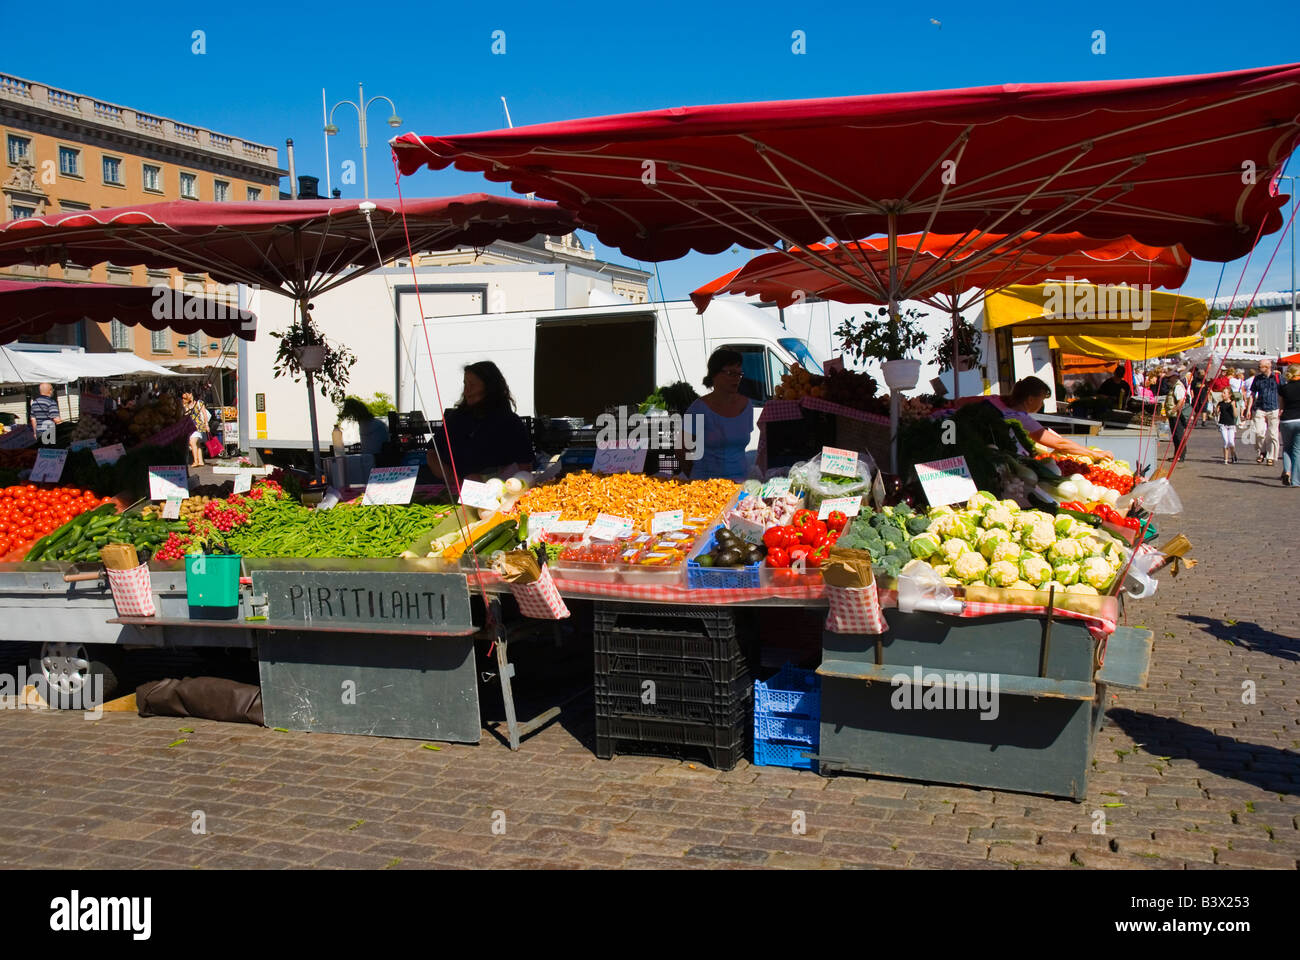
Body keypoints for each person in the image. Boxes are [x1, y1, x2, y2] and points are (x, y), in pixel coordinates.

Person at [427, 361, 532, 488]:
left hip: (497, 493)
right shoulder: (456, 418)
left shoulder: (509, 422)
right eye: (465, 384)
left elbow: (524, 467)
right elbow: (433, 453)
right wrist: (451, 477)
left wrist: (488, 480)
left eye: (472, 385)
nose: (467, 391)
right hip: (456, 491)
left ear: (489, 387)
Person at [988, 376, 1113, 461]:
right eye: (1041, 400)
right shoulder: (1021, 418)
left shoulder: (995, 400)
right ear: (1030, 399)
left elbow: (968, 400)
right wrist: (1095, 454)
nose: (1042, 404)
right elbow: (1060, 444)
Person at [681, 349, 754, 482]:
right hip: (706, 486)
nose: (737, 378)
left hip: (740, 483)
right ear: (714, 374)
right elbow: (681, 448)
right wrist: (695, 478)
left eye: (739, 374)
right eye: (731, 373)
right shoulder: (698, 408)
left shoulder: (747, 406)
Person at [1244, 359, 1281, 466]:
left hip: (1274, 408)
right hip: (1260, 407)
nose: (1258, 368)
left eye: (1260, 366)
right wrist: (1248, 409)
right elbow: (1252, 394)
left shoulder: (1277, 378)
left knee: (1273, 434)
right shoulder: (1257, 378)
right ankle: (1262, 451)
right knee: (1258, 432)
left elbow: (1283, 392)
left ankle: (1271, 457)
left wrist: (1282, 407)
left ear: (1268, 367)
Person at [1278, 364, 1300, 486]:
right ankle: (1296, 481)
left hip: (1287, 420)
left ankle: (1287, 471)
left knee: (1287, 448)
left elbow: (1281, 406)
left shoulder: (1283, 388)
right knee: (1297, 450)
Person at [1163, 371, 1190, 465]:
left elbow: (1181, 401)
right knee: (1176, 436)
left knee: (1178, 436)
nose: (1168, 379)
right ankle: (1177, 455)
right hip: (1174, 415)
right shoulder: (1174, 386)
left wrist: (1173, 410)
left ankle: (1180, 456)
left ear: (1174, 377)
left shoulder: (1178, 387)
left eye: (1169, 377)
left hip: (1177, 415)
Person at [181, 390, 210, 468]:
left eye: (185, 397)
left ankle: (195, 461)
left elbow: (204, 414)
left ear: (191, 394)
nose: (184, 399)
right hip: (190, 426)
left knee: (192, 442)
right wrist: (186, 405)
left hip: (198, 426)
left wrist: (206, 424)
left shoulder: (199, 403)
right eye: (183, 398)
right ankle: (201, 461)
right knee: (197, 444)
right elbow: (185, 415)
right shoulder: (186, 404)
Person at [1217, 389, 1238, 465]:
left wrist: (1233, 407)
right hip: (1223, 424)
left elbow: (1235, 415)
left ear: (1229, 395)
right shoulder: (1220, 403)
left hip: (1231, 425)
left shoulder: (1232, 403)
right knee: (1226, 441)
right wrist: (1216, 410)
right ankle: (1225, 459)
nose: (1223, 394)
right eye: (1222, 393)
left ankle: (1233, 455)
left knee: (1231, 442)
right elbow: (1216, 414)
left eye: (1224, 393)